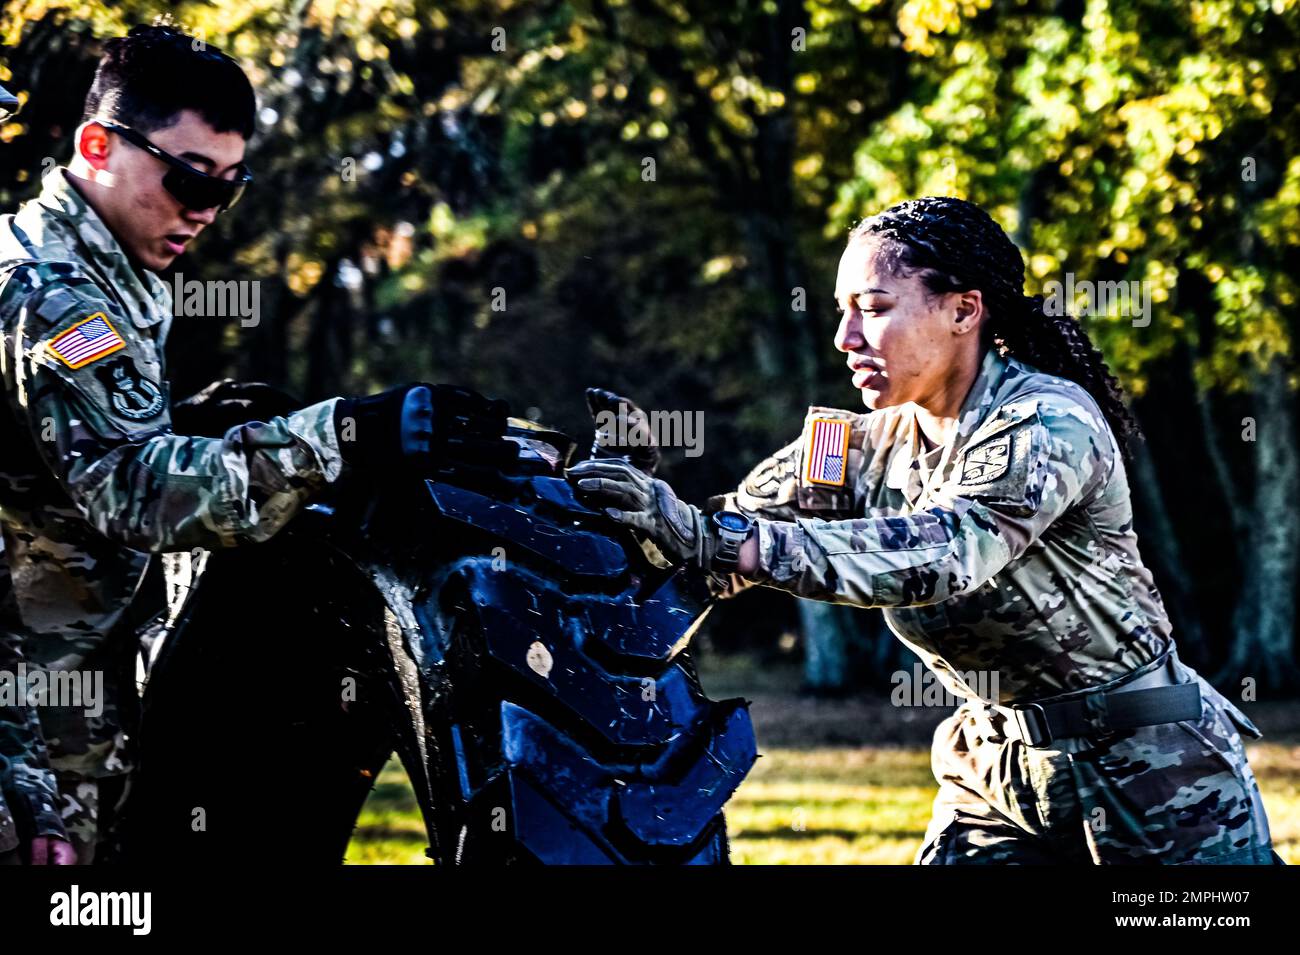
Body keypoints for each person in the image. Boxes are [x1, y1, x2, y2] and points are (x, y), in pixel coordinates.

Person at [568, 195, 1280, 864]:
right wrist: (625, 506)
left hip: (1152, 771)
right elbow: (728, 536)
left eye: (874, 308)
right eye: (843, 310)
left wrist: (709, 536)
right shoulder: (848, 445)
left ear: (965, 310)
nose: (846, 338)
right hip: (991, 770)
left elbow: (944, 552)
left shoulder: (1046, 422)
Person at [0, 24, 510, 863]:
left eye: (228, 190)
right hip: (40, 707)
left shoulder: (102, 273)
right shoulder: (57, 295)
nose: (202, 212)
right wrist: (339, 436)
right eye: (187, 178)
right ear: (97, 144)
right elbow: (129, 489)